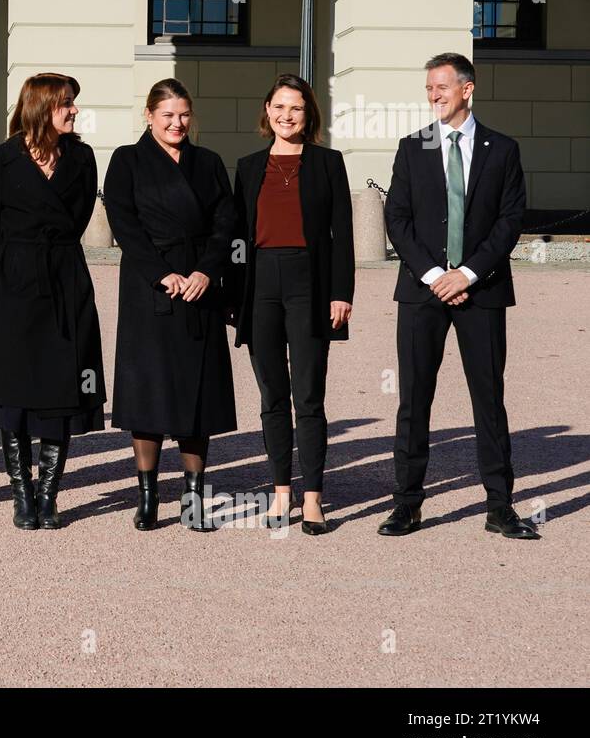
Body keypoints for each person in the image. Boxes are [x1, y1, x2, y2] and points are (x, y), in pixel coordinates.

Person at [379, 52, 537, 539]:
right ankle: (407, 504)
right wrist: (432, 274)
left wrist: (467, 273)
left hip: (482, 292)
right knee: (413, 400)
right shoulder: (412, 148)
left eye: (441, 87)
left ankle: (500, 507)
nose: (433, 96)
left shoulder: (502, 149)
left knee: (489, 399)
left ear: (467, 89)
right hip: (422, 292)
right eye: (428, 89)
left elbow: (510, 220)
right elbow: (397, 219)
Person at [104, 78, 236, 532]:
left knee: (198, 395)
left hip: (200, 286)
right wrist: (161, 273)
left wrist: (205, 271)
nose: (177, 124)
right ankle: (148, 495)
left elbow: (226, 224)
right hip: (150, 289)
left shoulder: (210, 163)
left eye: (183, 115)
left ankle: (194, 495)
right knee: (150, 390)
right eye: (167, 116)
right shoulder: (127, 160)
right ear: (149, 115)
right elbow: (125, 224)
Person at [0, 73, 106, 530]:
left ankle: (48, 495)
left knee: (61, 386)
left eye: (74, 102)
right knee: (14, 389)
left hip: (66, 278)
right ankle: (21, 495)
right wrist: (16, 263)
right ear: (41, 107)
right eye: (66, 103)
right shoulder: (2, 159)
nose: (74, 111)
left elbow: (78, 217)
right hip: (16, 286)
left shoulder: (84, 157)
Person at [232, 74, 354, 535]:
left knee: (308, 394)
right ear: (267, 111)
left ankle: (314, 498)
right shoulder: (247, 167)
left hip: (310, 284)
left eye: (296, 108)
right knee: (271, 396)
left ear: (309, 115)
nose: (287, 116)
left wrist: (341, 293)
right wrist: (233, 297)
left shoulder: (327, 163)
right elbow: (233, 237)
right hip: (260, 283)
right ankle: (280, 491)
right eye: (279, 107)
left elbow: (342, 234)